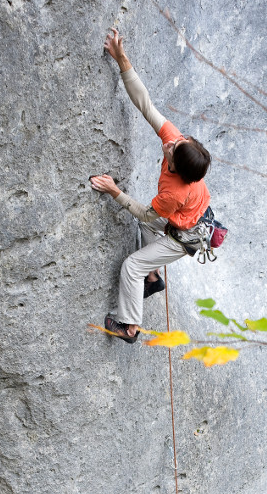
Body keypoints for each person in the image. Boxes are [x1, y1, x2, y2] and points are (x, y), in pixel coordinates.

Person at [90, 28, 212, 344]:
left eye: (171, 151)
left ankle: (130, 328)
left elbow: (146, 214)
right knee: (149, 230)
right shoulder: (179, 146)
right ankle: (154, 278)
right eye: (177, 142)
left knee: (131, 266)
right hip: (187, 219)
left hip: (183, 237)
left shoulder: (174, 192)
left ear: (177, 169)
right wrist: (122, 59)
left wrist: (114, 191)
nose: (168, 144)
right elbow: (146, 104)